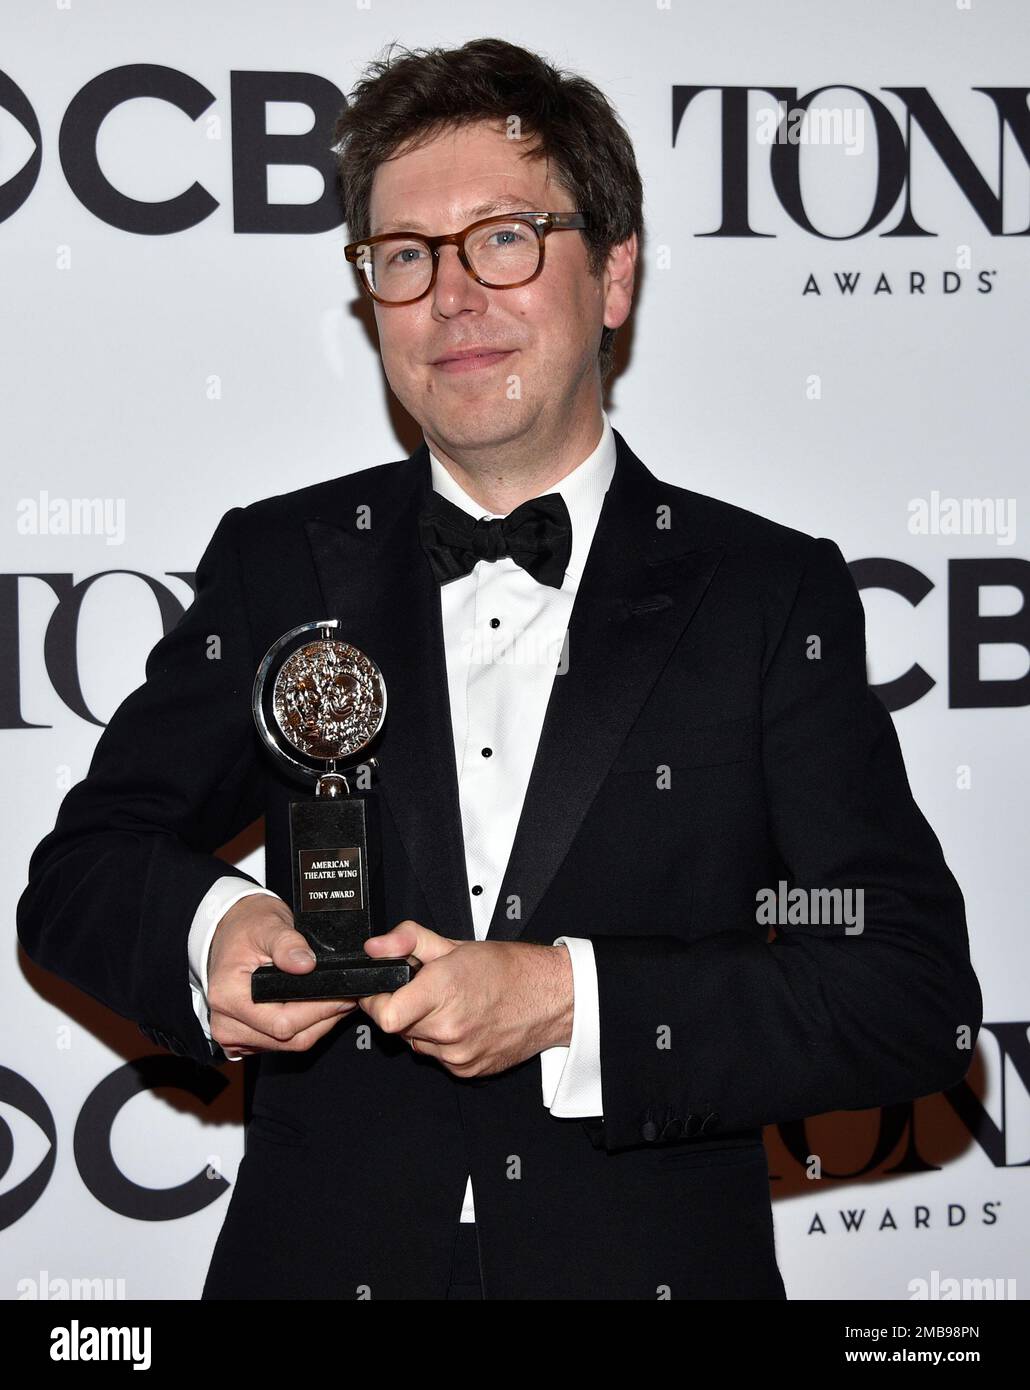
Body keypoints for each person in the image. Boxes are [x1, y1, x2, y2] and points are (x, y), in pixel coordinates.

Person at [16, 37, 982, 1300]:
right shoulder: (280, 562)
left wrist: (571, 1000)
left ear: (616, 273)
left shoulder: (765, 593)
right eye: (405, 257)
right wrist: (214, 926)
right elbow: (78, 875)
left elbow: (903, 985)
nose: (452, 297)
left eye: (506, 239)